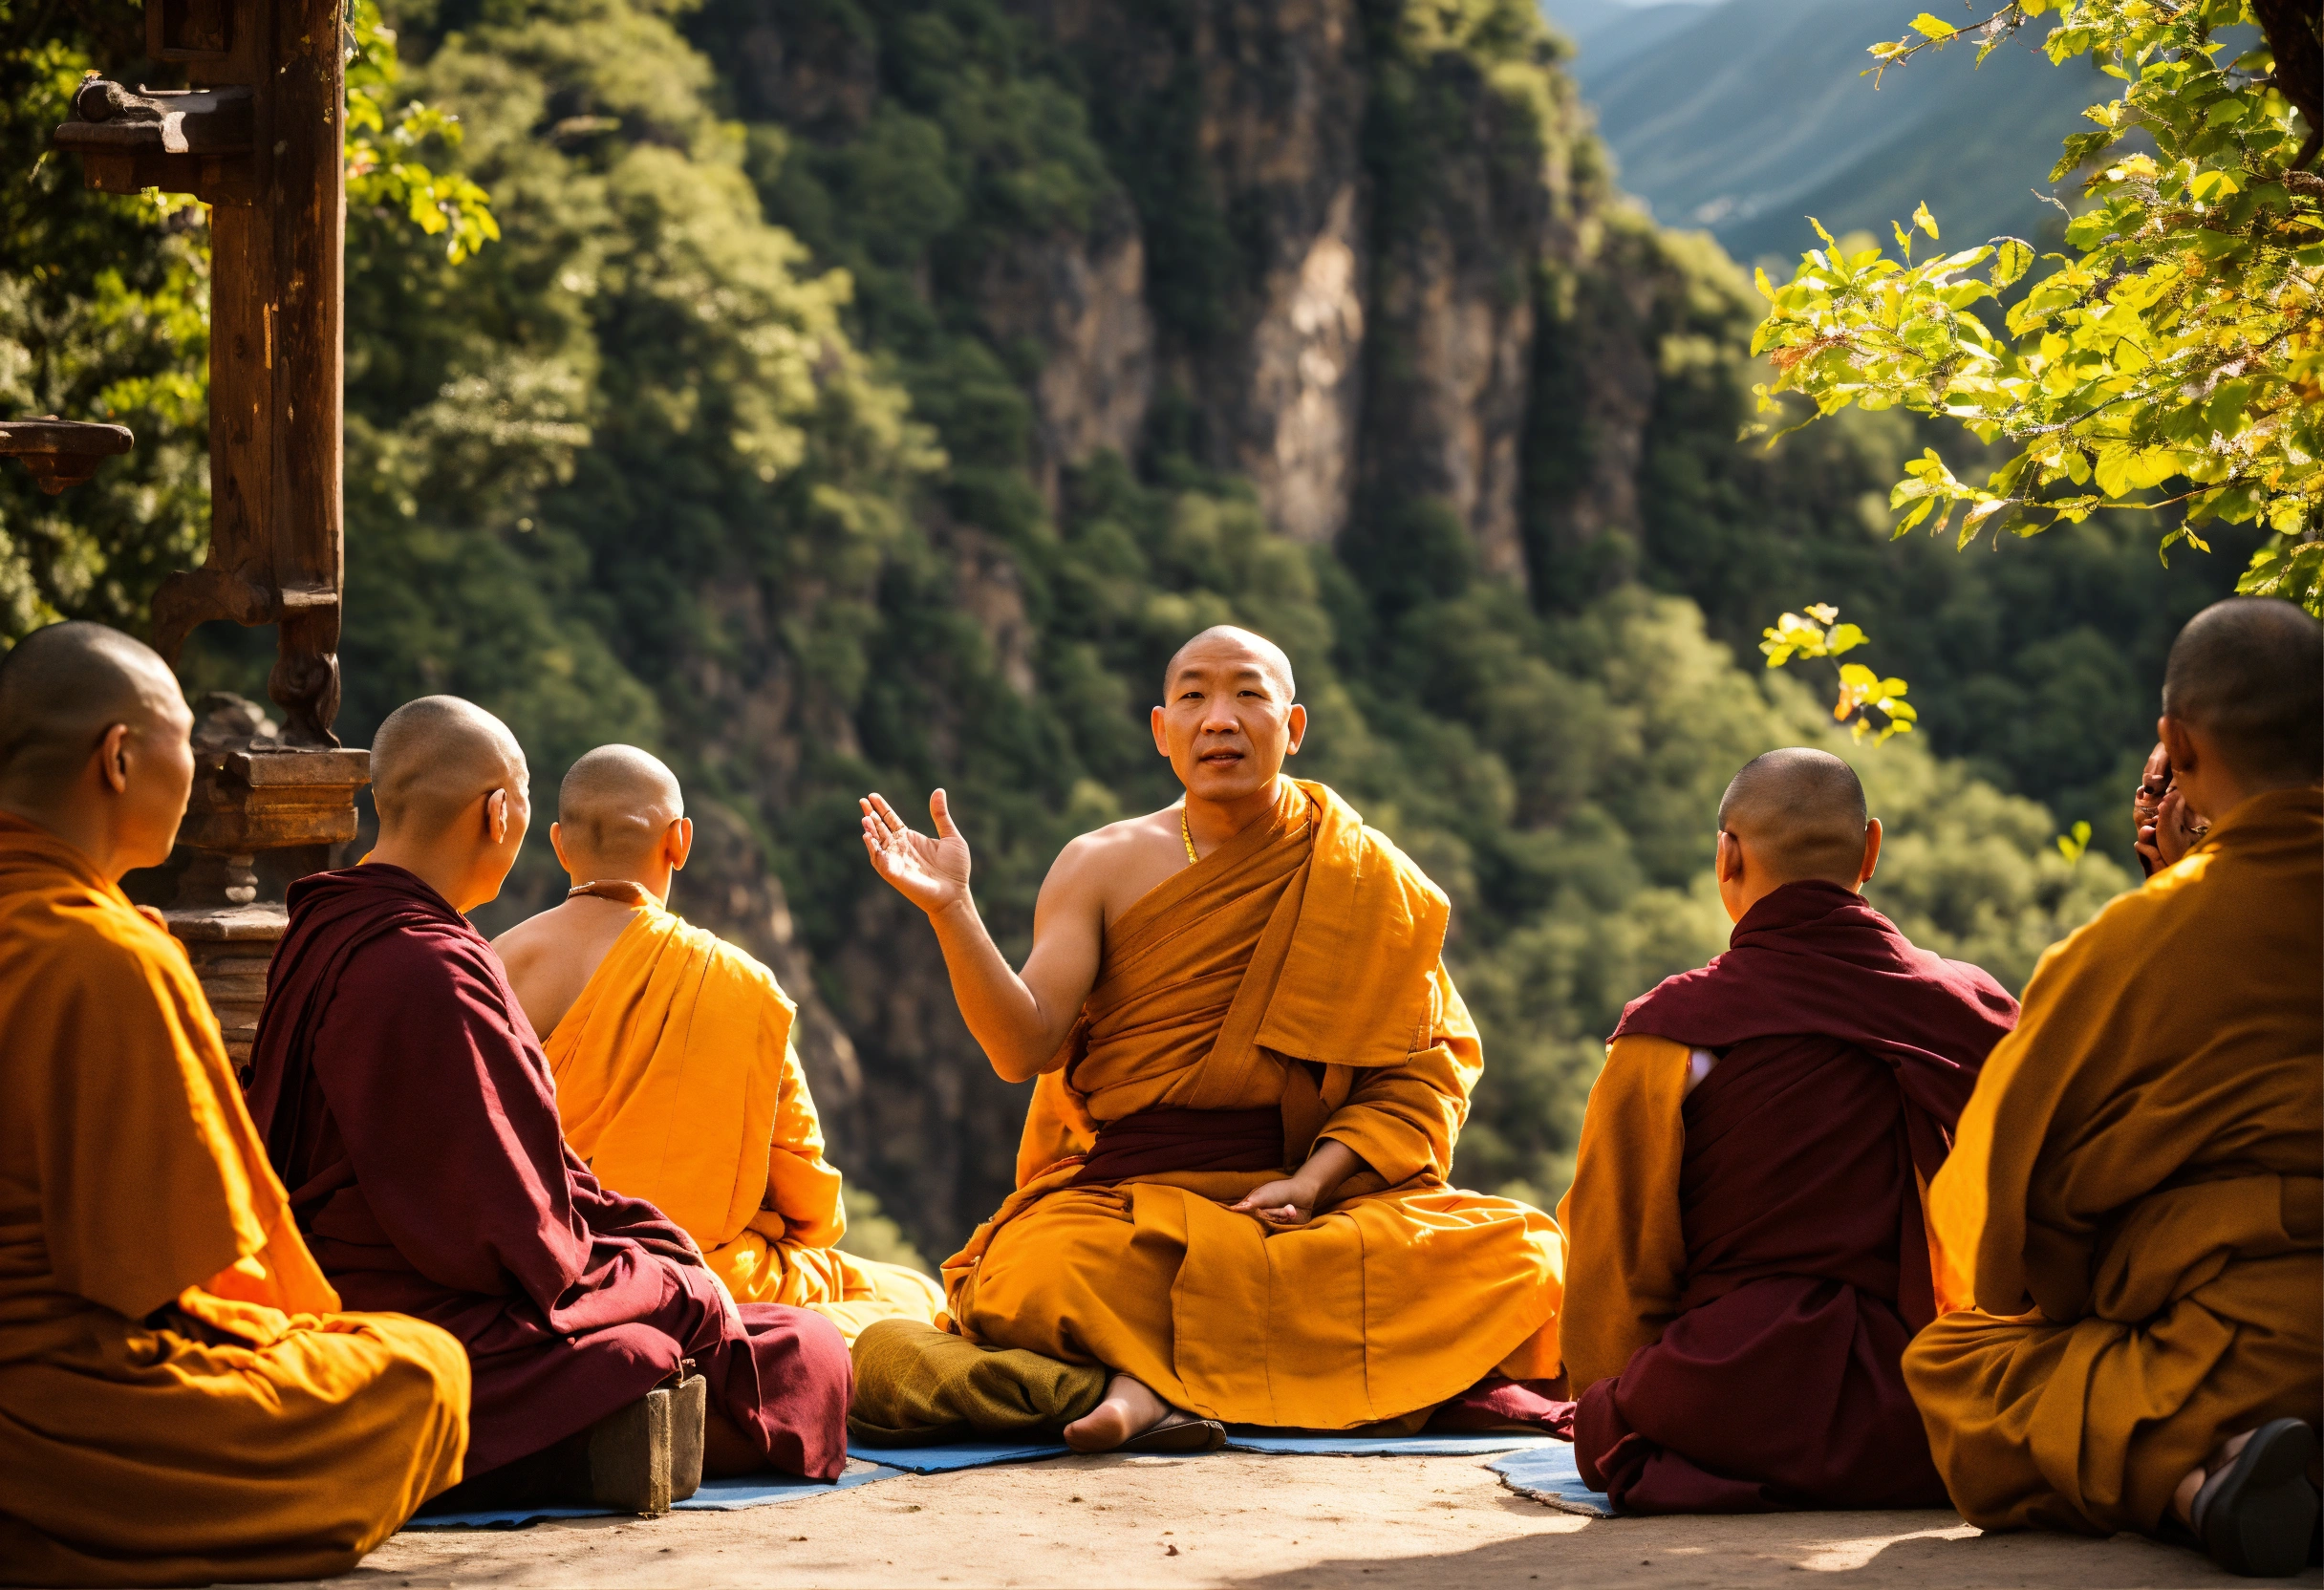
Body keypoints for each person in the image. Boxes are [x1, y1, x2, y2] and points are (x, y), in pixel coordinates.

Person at [857, 626, 1565, 1452]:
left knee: (1524, 1255)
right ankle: (1201, 1376)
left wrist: (1313, 1179)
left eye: (1248, 694)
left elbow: (1424, 1075)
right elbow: (1024, 1048)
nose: (1219, 718)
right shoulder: (1100, 863)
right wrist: (954, 911)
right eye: (1193, 696)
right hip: (1132, 1207)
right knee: (1035, 1274)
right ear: (1162, 731)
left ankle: (1144, 1379)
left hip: (1304, 1203)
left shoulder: (1368, 875)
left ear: (1293, 727)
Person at [243, 696, 852, 1507]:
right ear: (500, 813)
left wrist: (639, 1237)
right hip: (438, 1317)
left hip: (334, 1286)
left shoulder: (324, 931)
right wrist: (663, 1272)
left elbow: (513, 1177)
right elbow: (511, 1240)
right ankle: (562, 1447)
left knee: (716, 1318)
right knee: (786, 1349)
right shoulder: (434, 969)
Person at [0, 623, 467, 1585]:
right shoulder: (101, 959)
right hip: (50, 1413)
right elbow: (167, 1274)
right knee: (420, 1373)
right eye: (186, 742)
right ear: (120, 757)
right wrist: (295, 1333)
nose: (206, 772)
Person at [1905, 597, 2322, 1579]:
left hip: (2236, 1344)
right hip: (2240, 1331)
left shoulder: (2126, 947)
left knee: (1954, 1367)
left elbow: (1998, 1221)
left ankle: (2195, 1482)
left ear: (2174, 743)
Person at [1557, 748, 2018, 1513]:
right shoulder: (1975, 1011)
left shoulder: (1672, 1034)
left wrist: (1614, 1402)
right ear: (1871, 849)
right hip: (1927, 1405)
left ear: (1726, 858)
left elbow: (1615, 1255)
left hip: (1724, 1387)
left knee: (1615, 1416)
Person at [493, 744, 942, 1340]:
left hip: (541, 1265)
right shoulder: (735, 983)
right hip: (696, 1273)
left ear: (558, 844)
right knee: (913, 1295)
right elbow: (804, 1187)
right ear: (680, 841)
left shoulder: (493, 965)